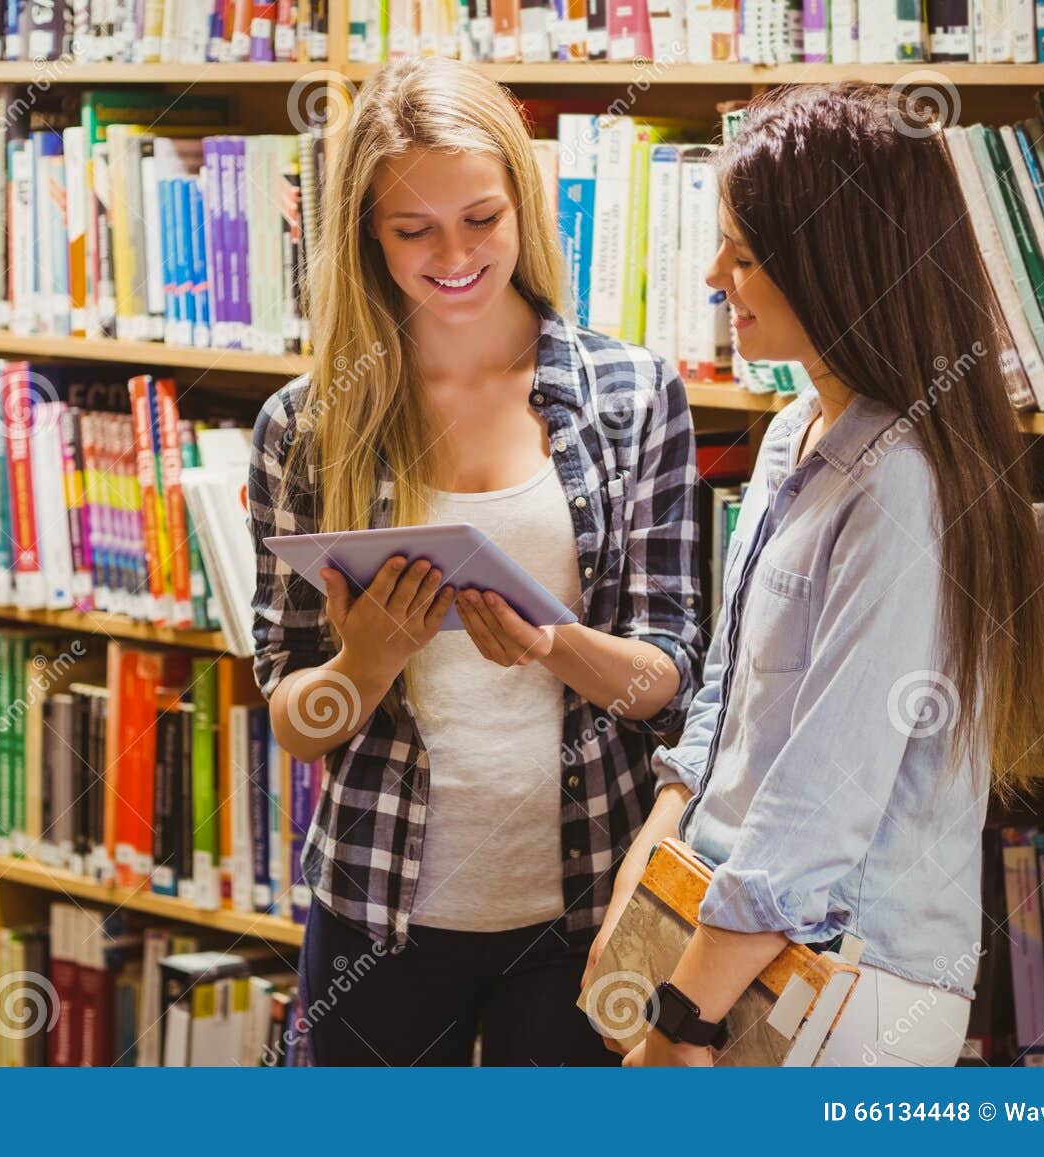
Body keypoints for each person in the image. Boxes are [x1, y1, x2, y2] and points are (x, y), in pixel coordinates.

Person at [246, 56, 704, 1066]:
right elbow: (290, 712)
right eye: (413, 229)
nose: (453, 254)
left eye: (481, 220)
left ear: (523, 210)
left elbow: (674, 678)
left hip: (589, 900)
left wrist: (556, 644)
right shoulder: (308, 425)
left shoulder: (633, 395)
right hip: (379, 907)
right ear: (367, 231)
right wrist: (365, 662)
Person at [593, 84, 1044, 1068]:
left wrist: (685, 1020)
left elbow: (823, 791)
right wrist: (650, 863)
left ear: (836, 268)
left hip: (840, 979)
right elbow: (725, 701)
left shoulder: (900, 481)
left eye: (746, 253)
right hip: (717, 935)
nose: (716, 274)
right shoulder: (789, 438)